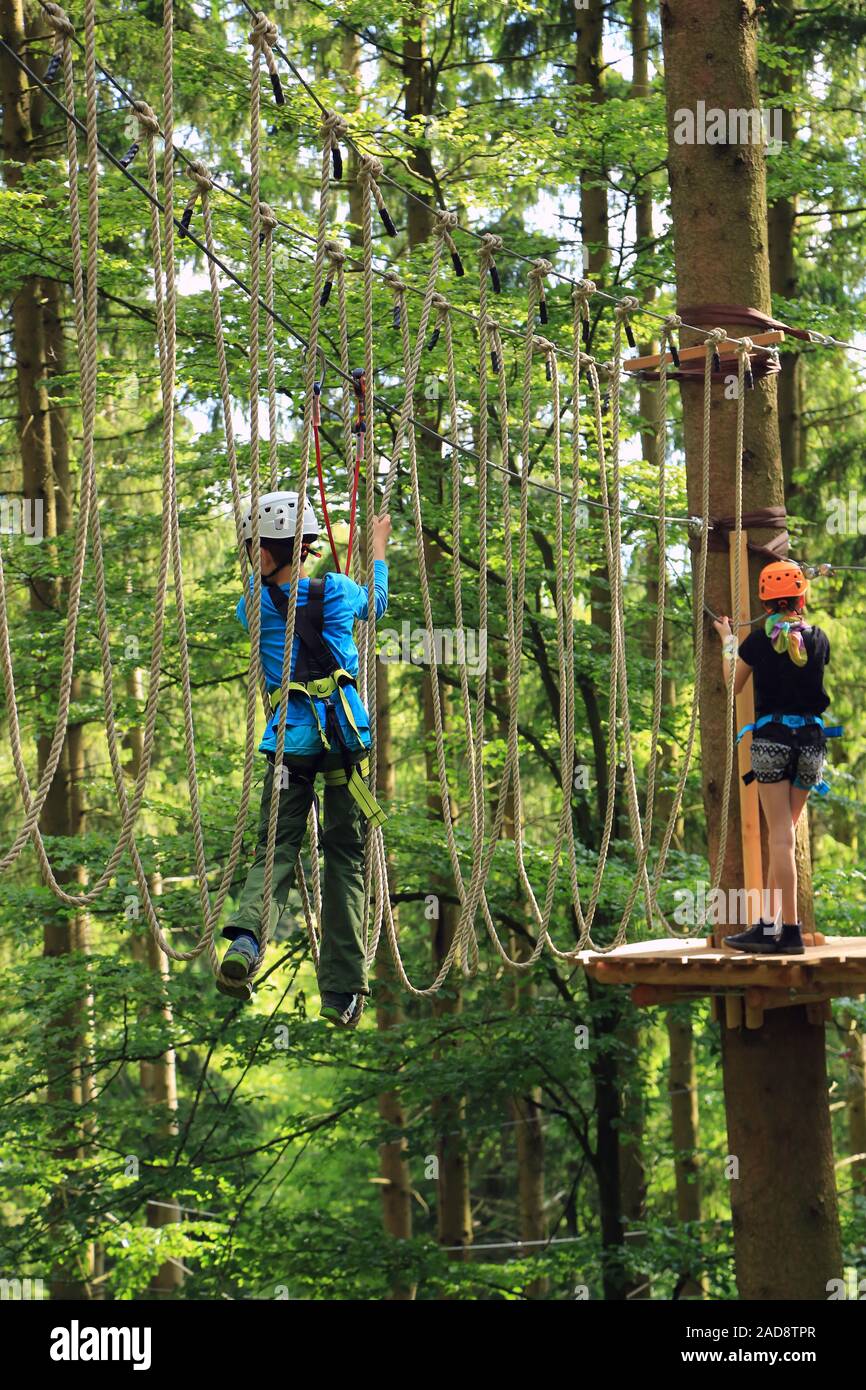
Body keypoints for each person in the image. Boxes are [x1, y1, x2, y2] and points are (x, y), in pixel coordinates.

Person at [218, 490, 391, 1025]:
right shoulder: (338, 591)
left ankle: (245, 942)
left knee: (276, 849)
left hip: (289, 744)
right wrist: (376, 549)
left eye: (254, 549)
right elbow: (376, 605)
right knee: (344, 858)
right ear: (308, 545)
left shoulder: (253, 601)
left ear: (264, 554)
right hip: (343, 739)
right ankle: (341, 993)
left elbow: (268, 589)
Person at [713, 560, 834, 955]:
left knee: (780, 837)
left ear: (765, 603)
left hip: (773, 741)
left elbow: (735, 685)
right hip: (812, 743)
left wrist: (729, 640)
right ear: (802, 597)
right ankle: (768, 925)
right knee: (783, 835)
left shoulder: (757, 643)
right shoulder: (818, 639)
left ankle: (790, 931)